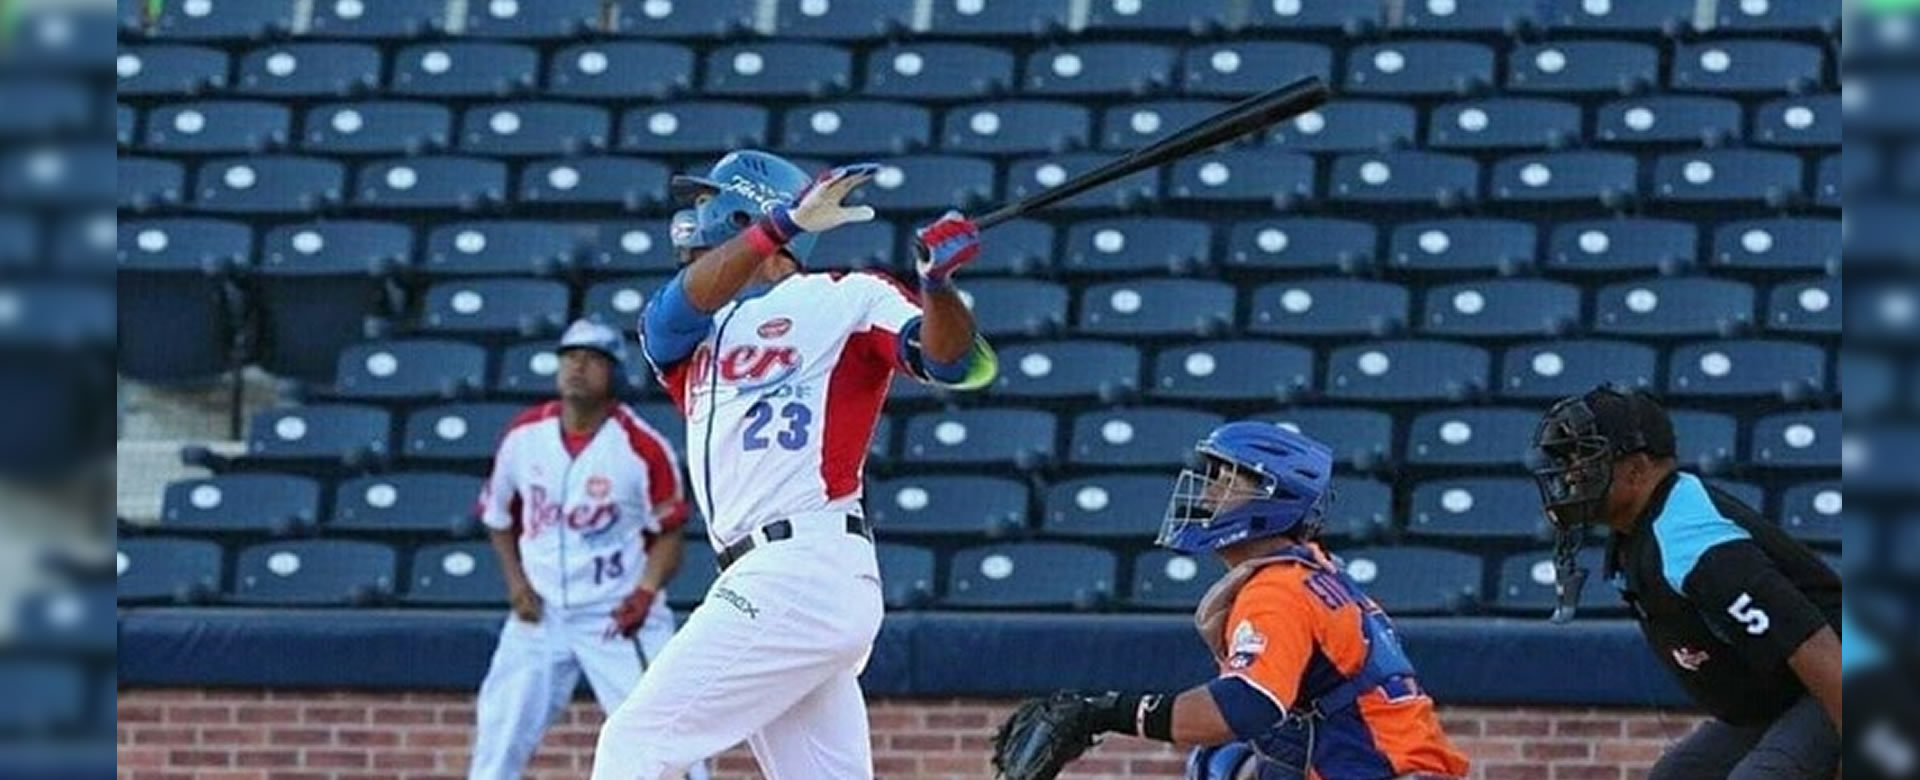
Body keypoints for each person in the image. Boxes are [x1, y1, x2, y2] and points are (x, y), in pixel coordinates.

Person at [589, 149, 997, 779]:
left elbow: (951, 363)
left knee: (635, 744)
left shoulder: (846, 296)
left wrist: (938, 288)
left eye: (706, 201)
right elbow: (672, 315)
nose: (693, 217)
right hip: (769, 577)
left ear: (739, 207)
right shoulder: (688, 328)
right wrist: (783, 224)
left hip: (802, 563)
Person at [993, 422, 1470, 780]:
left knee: (1221, 755)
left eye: (1229, 479)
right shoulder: (1313, 572)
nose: (1209, 492)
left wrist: (1104, 711)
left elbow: (1243, 707)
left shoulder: (1279, 590)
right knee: (1225, 761)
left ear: (1273, 500)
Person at [1531, 385, 1842, 779]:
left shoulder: (1692, 537)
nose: (1572, 474)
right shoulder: (1638, 533)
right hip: (1790, 697)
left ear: (1637, 468)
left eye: (1584, 457)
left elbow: (1814, 643)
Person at [468, 318, 705, 780]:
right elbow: (497, 517)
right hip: (541, 615)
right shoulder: (523, 436)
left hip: (616, 615)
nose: (577, 367)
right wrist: (516, 584)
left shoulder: (642, 448)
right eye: (570, 356)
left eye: (592, 359)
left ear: (615, 373)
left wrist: (644, 591)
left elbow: (670, 531)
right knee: (496, 745)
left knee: (667, 740)